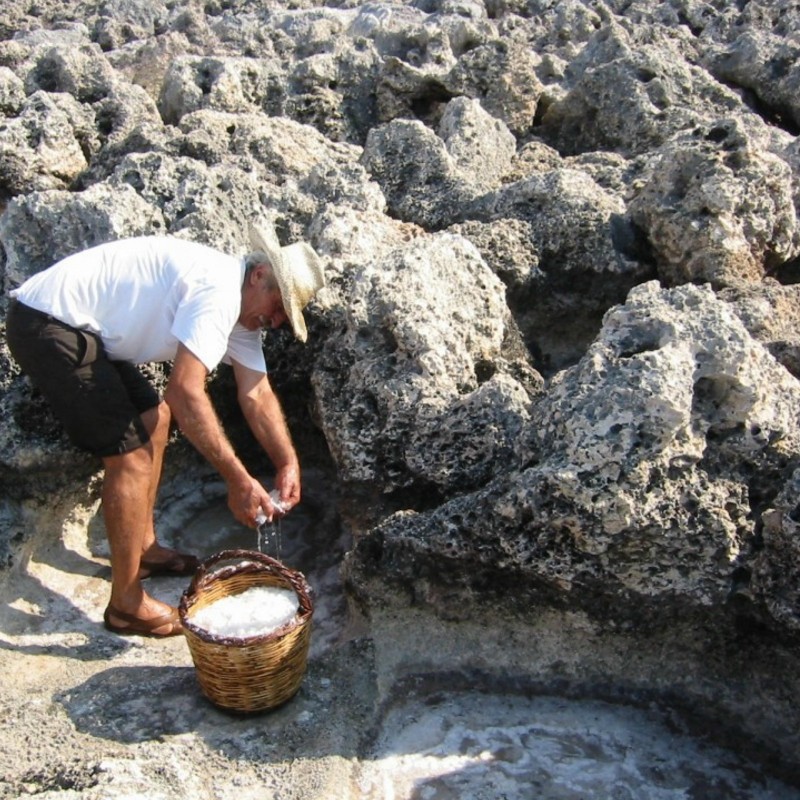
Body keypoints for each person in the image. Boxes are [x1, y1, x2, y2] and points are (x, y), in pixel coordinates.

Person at [5, 222, 325, 638]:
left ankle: (145, 549)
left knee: (154, 420)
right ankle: (126, 605)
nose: (277, 321)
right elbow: (185, 392)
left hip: (85, 333)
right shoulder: (220, 293)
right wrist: (237, 480)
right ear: (259, 275)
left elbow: (257, 392)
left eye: (285, 316)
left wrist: (288, 462)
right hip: (48, 324)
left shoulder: (243, 314)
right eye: (279, 306)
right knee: (131, 456)